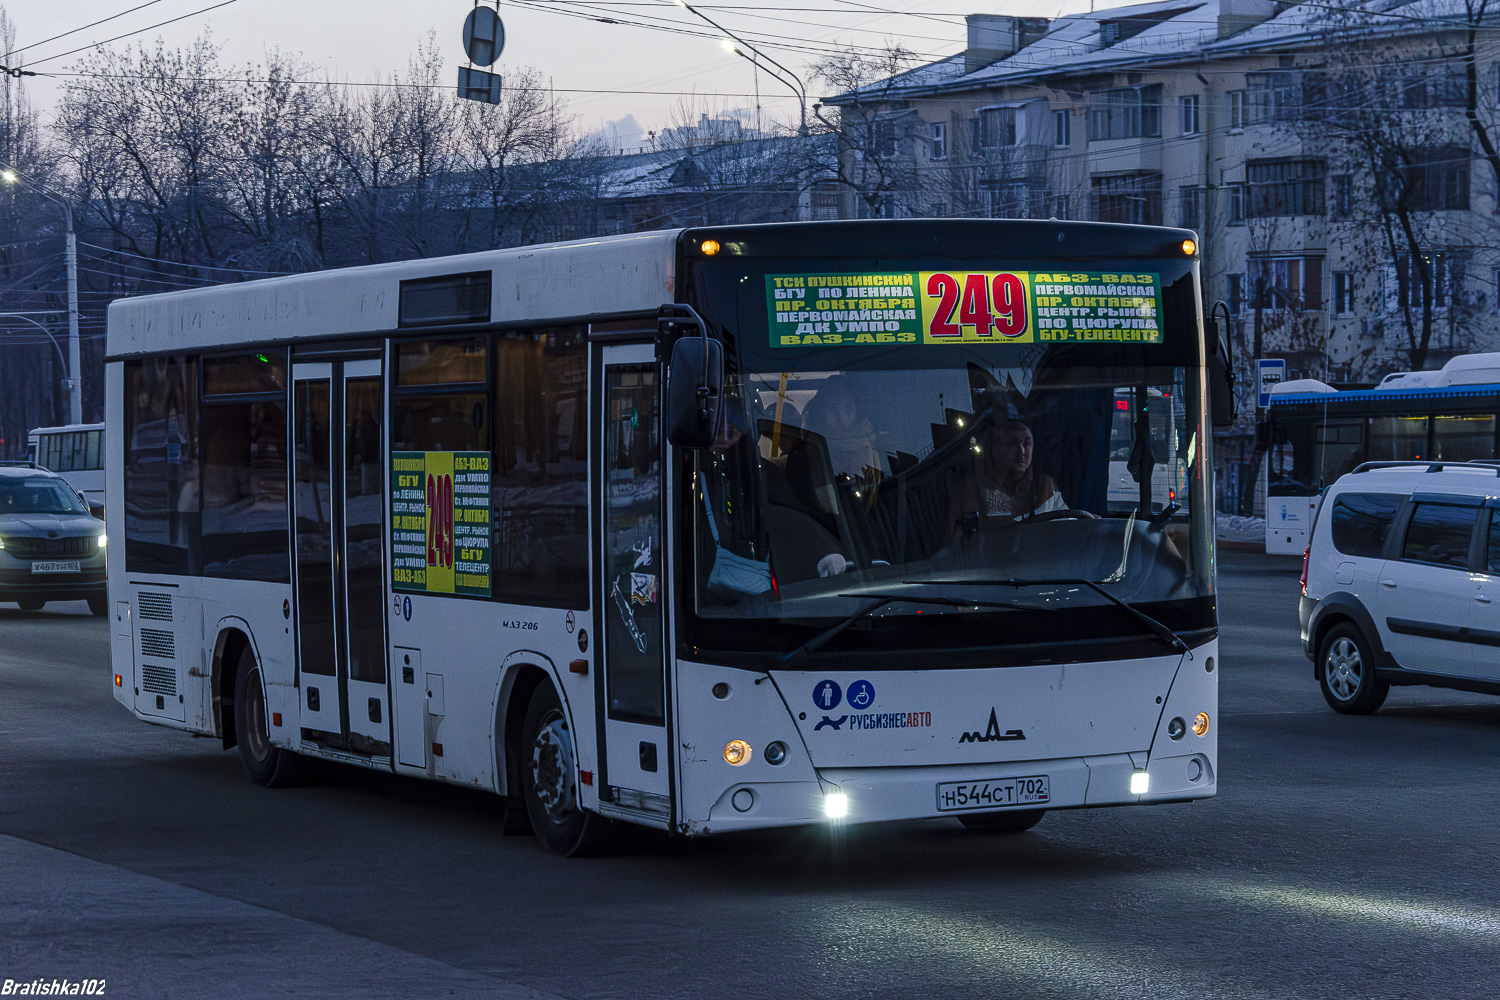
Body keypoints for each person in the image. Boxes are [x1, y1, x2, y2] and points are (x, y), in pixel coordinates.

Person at [948, 418, 1073, 536]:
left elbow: (1066, 522)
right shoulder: (973, 489)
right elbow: (959, 546)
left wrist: (1086, 522)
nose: (1022, 451)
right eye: (1012, 443)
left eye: (1027, 443)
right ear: (995, 449)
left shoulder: (1045, 484)